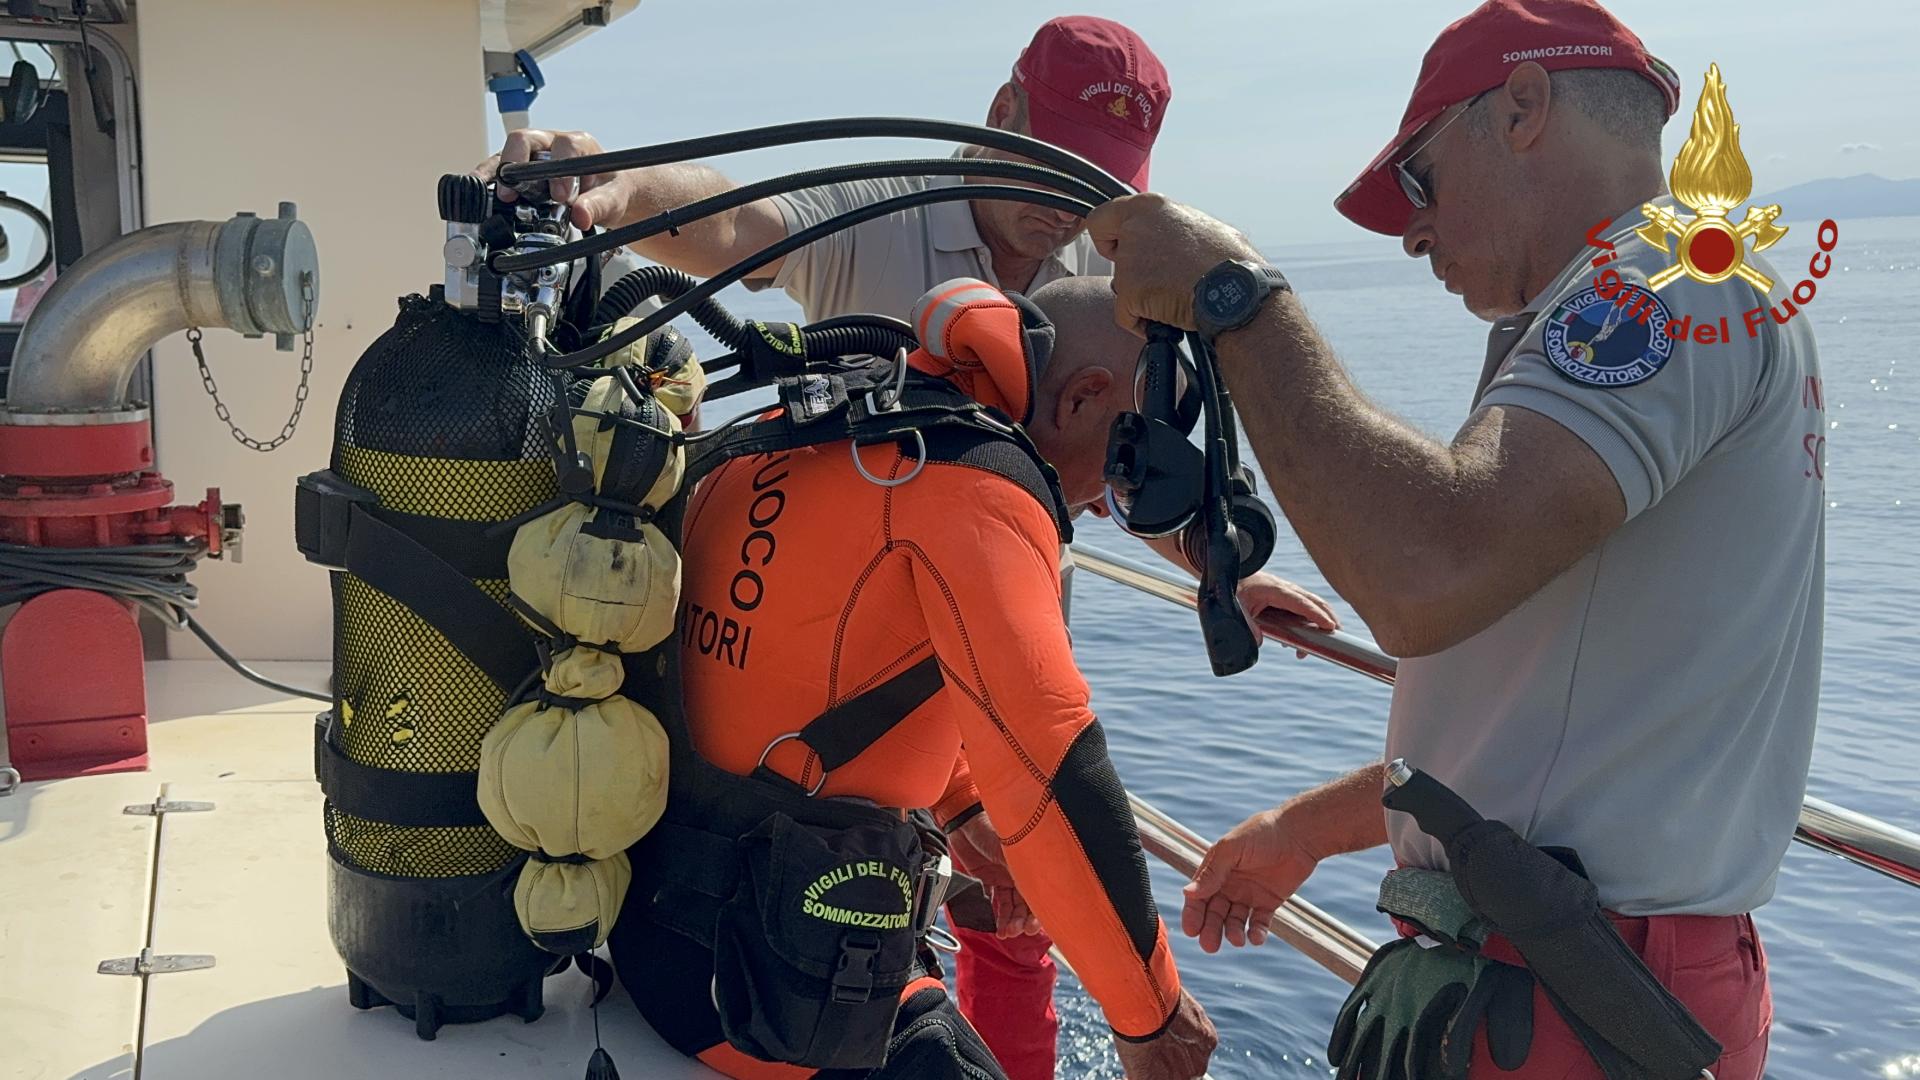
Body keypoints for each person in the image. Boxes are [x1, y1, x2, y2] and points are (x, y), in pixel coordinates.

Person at [478, 16, 1337, 1078]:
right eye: (1050, 160)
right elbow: (729, 221)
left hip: (680, 915)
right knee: (1034, 841)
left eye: (1093, 182)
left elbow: (1088, 460)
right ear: (1000, 120)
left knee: (1008, 894)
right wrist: (601, 188)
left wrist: (1219, 572)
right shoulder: (921, 331)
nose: (1065, 201)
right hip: (763, 976)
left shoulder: (1056, 296)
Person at [1084, 1, 1819, 1077]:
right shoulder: (1666, 297)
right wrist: (1303, 830)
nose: (1413, 233)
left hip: (1574, 995)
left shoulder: (1660, 287)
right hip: (1573, 975)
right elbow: (1548, 725)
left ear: (1524, 106)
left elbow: (1428, 574)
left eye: (1419, 183)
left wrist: (1236, 304)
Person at [610, 275, 1217, 1080]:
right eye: (1127, 461)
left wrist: (962, 801)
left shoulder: (793, 426)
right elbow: (1052, 766)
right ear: (1082, 398)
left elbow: (807, 662)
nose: (1110, 506)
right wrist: (1153, 1015)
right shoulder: (979, 480)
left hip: (654, 941)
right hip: (774, 1002)